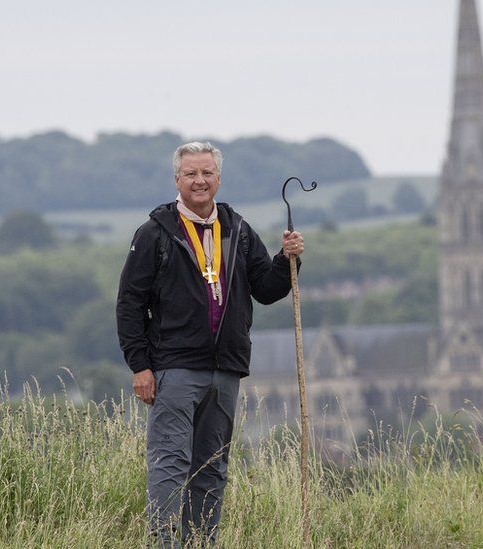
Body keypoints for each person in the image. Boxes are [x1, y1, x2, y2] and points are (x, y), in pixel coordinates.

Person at [116, 141, 304, 546]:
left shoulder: (238, 229)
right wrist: (140, 366)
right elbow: (129, 303)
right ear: (177, 180)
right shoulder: (154, 233)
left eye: (207, 173)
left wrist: (286, 259)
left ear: (218, 178)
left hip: (226, 369)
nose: (199, 181)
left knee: (212, 468)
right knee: (171, 463)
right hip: (174, 367)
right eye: (191, 174)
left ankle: (202, 542)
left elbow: (267, 290)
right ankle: (164, 543)